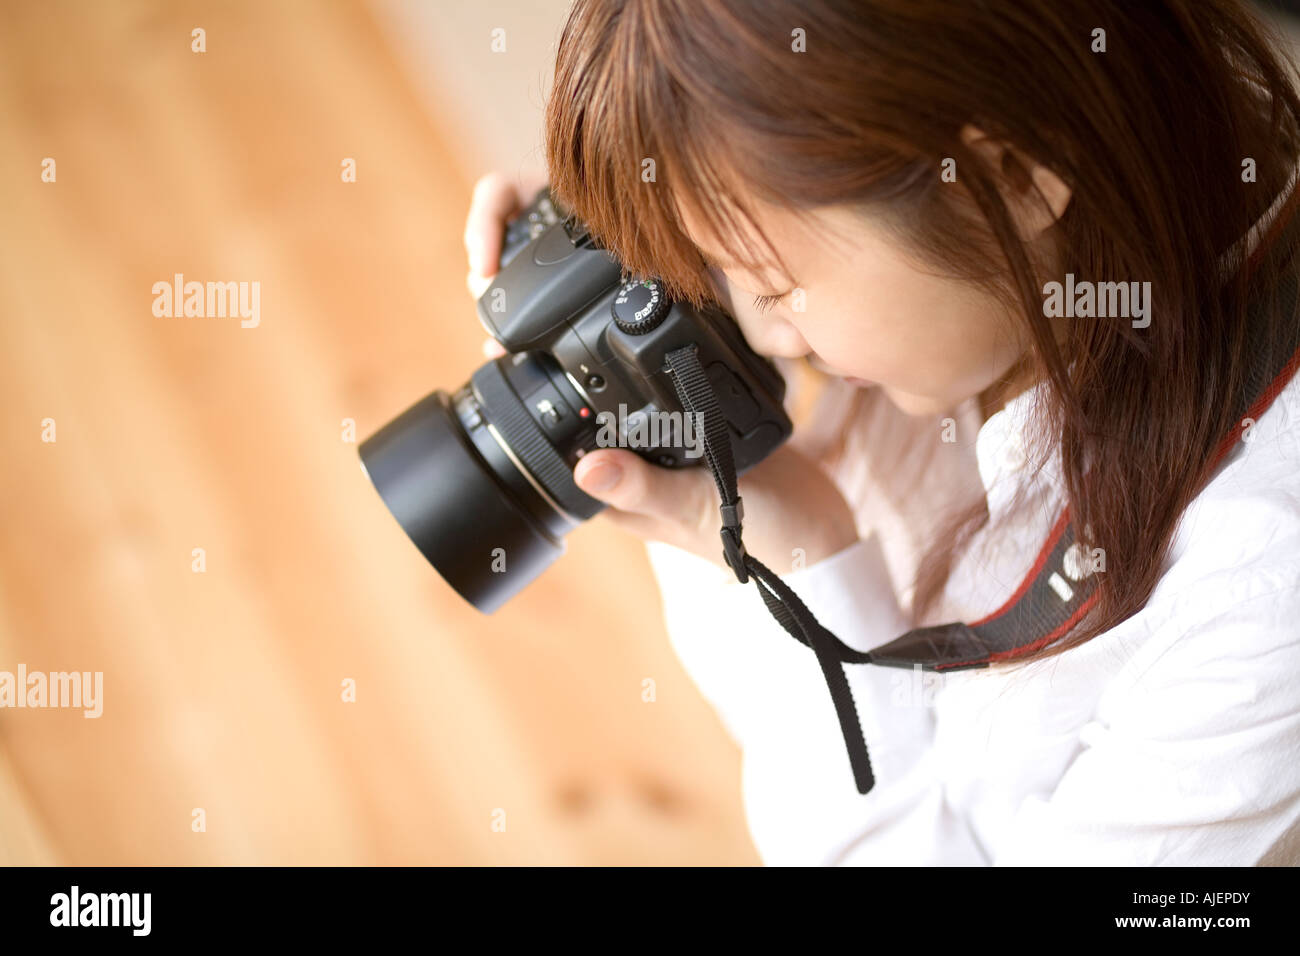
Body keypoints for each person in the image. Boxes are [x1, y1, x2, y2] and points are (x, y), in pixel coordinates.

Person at [463, 0, 1300, 865]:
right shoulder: (996, 319)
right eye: (713, 269)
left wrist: (806, 562)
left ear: (1012, 176)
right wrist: (638, 257)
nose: (759, 332)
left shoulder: (1262, 585)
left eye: (772, 285)